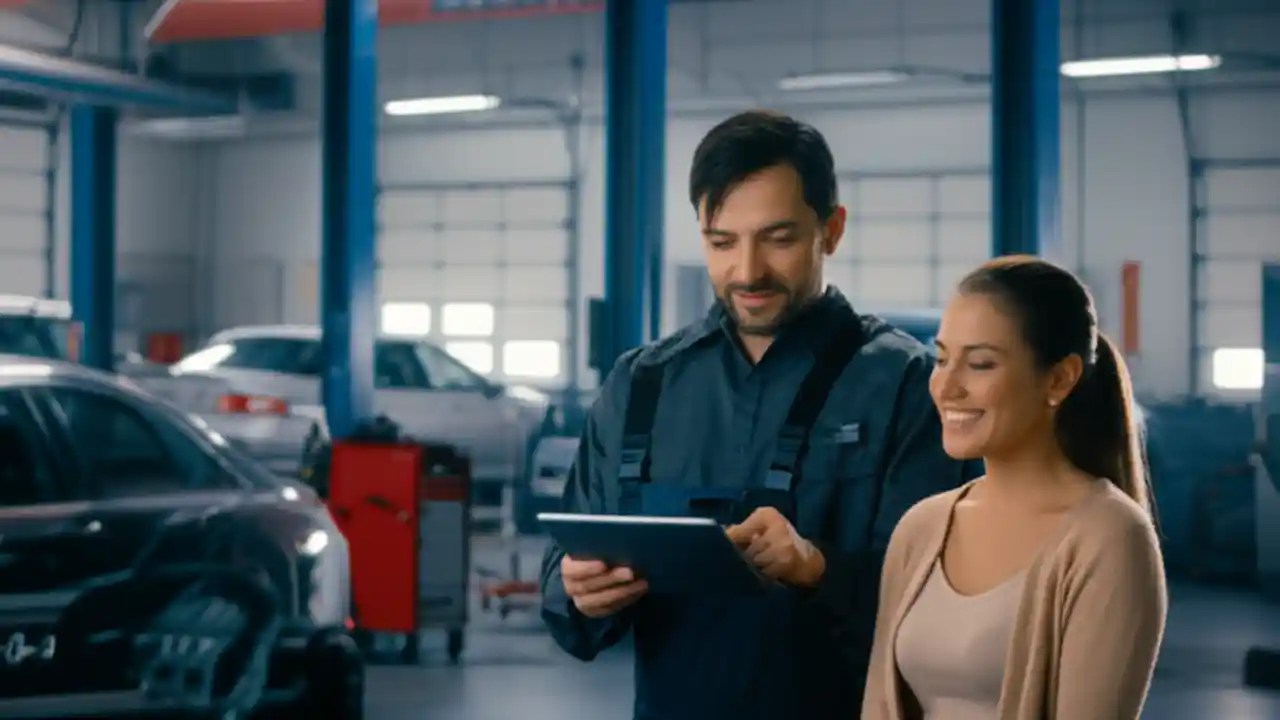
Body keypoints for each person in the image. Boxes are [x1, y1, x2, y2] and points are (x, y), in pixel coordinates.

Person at [538, 109, 976, 720]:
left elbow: (948, 607)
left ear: (832, 230)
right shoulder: (640, 385)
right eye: (722, 242)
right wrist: (577, 591)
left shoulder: (907, 387)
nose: (747, 271)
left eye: (779, 238)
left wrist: (819, 569)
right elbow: (564, 579)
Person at [860, 255, 1168, 720]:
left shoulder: (1109, 538)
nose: (946, 386)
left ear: (1059, 379)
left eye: (980, 364)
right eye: (941, 359)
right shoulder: (921, 528)